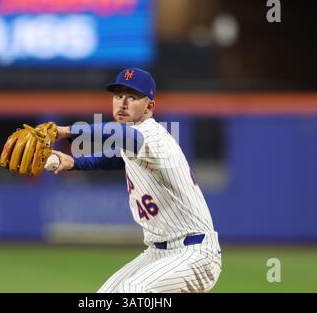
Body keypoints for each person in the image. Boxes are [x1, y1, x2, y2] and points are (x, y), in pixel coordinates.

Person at [51, 67, 221, 293]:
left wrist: (63, 131)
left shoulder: (152, 135)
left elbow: (119, 135)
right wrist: (74, 162)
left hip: (195, 252)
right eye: (118, 95)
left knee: (132, 291)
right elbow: (117, 158)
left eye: (132, 97)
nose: (122, 103)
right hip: (159, 252)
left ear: (149, 106)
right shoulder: (135, 143)